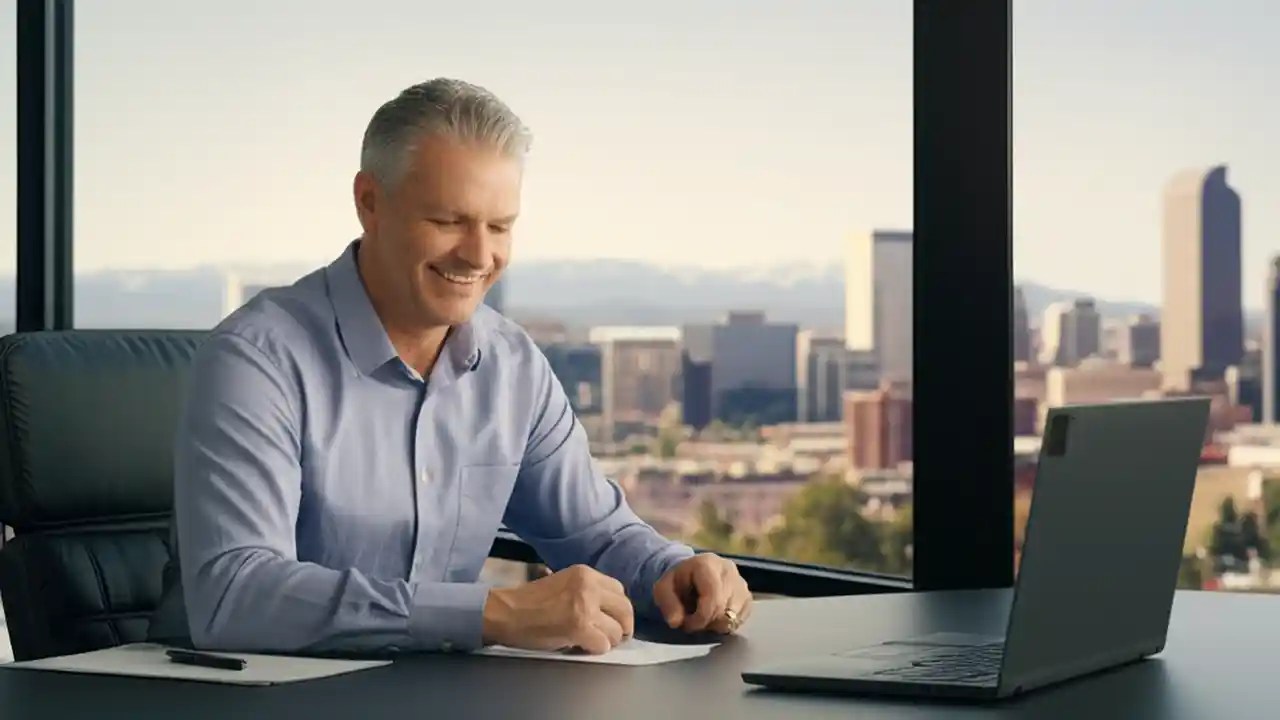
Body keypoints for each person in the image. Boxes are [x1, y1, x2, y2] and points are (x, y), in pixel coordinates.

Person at [147, 78, 752, 656]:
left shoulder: (513, 366)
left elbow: (595, 533)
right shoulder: (258, 359)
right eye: (448, 221)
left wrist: (675, 571)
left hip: (433, 694)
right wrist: (492, 613)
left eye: (500, 226)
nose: (479, 254)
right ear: (369, 203)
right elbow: (235, 594)